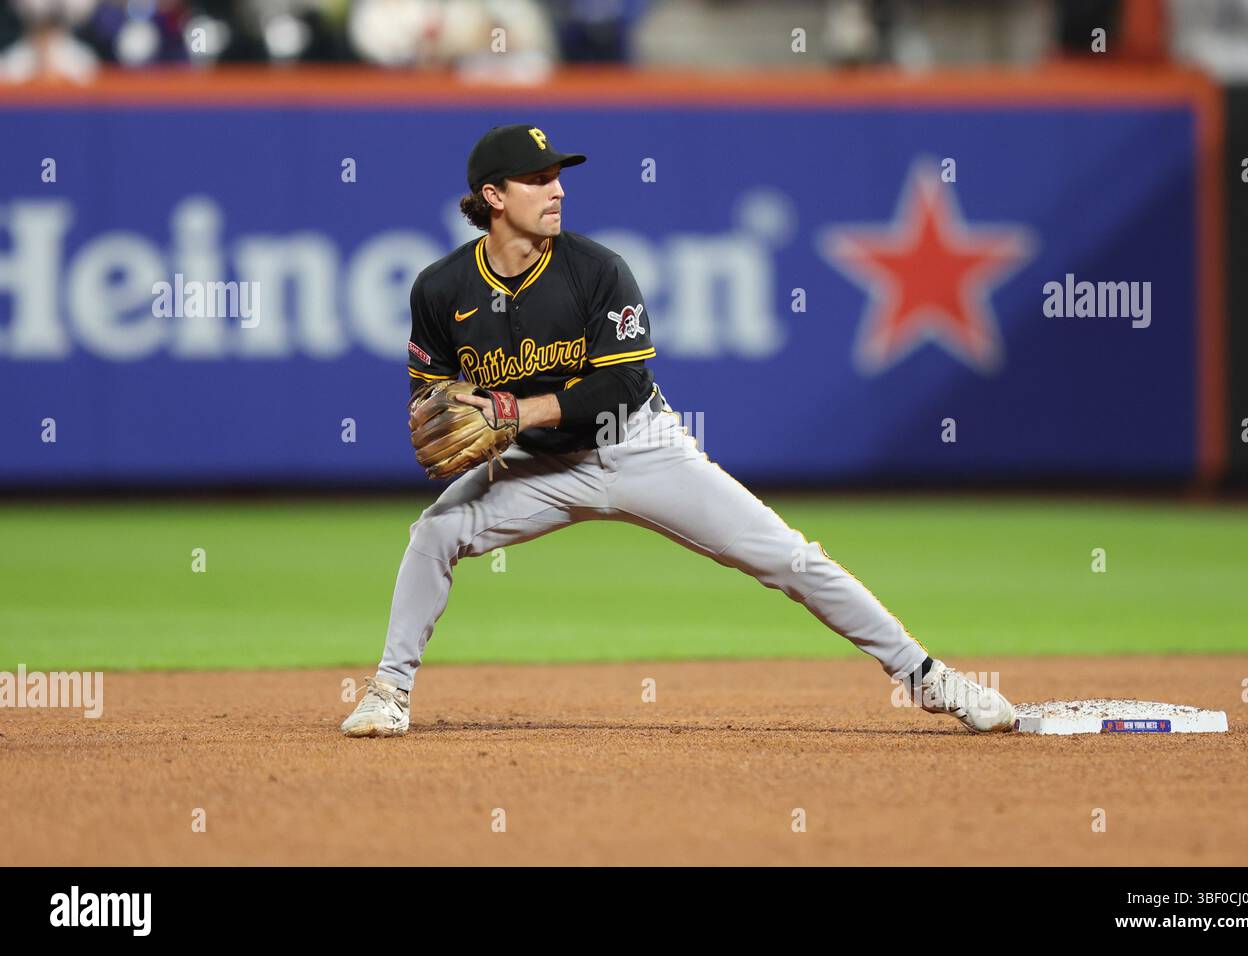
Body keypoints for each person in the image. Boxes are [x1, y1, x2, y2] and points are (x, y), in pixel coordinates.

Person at [341, 124, 1015, 738]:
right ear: (493, 196)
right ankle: (389, 691)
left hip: (639, 445)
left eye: (558, 177)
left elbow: (618, 387)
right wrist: (442, 413)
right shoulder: (440, 289)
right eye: (539, 179)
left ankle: (928, 678)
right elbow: (431, 393)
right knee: (433, 533)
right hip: (537, 467)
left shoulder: (596, 269)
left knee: (789, 558)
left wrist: (512, 413)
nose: (558, 190)